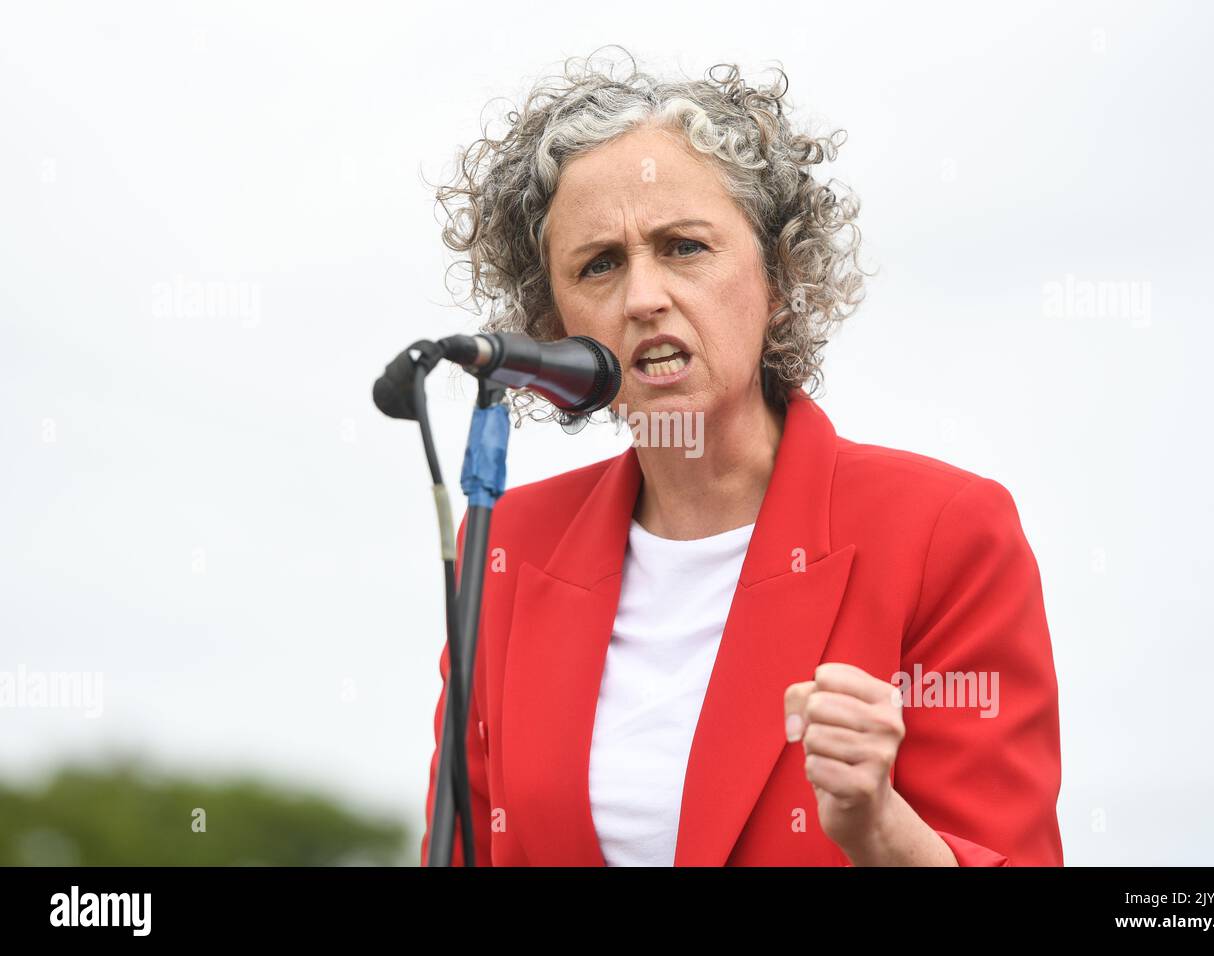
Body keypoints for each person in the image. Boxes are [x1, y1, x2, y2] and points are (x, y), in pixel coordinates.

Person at [419, 48, 1063, 866]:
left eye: (684, 246)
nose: (644, 296)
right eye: (600, 264)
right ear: (553, 323)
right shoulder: (506, 541)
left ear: (781, 276)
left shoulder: (945, 530)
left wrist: (879, 830)